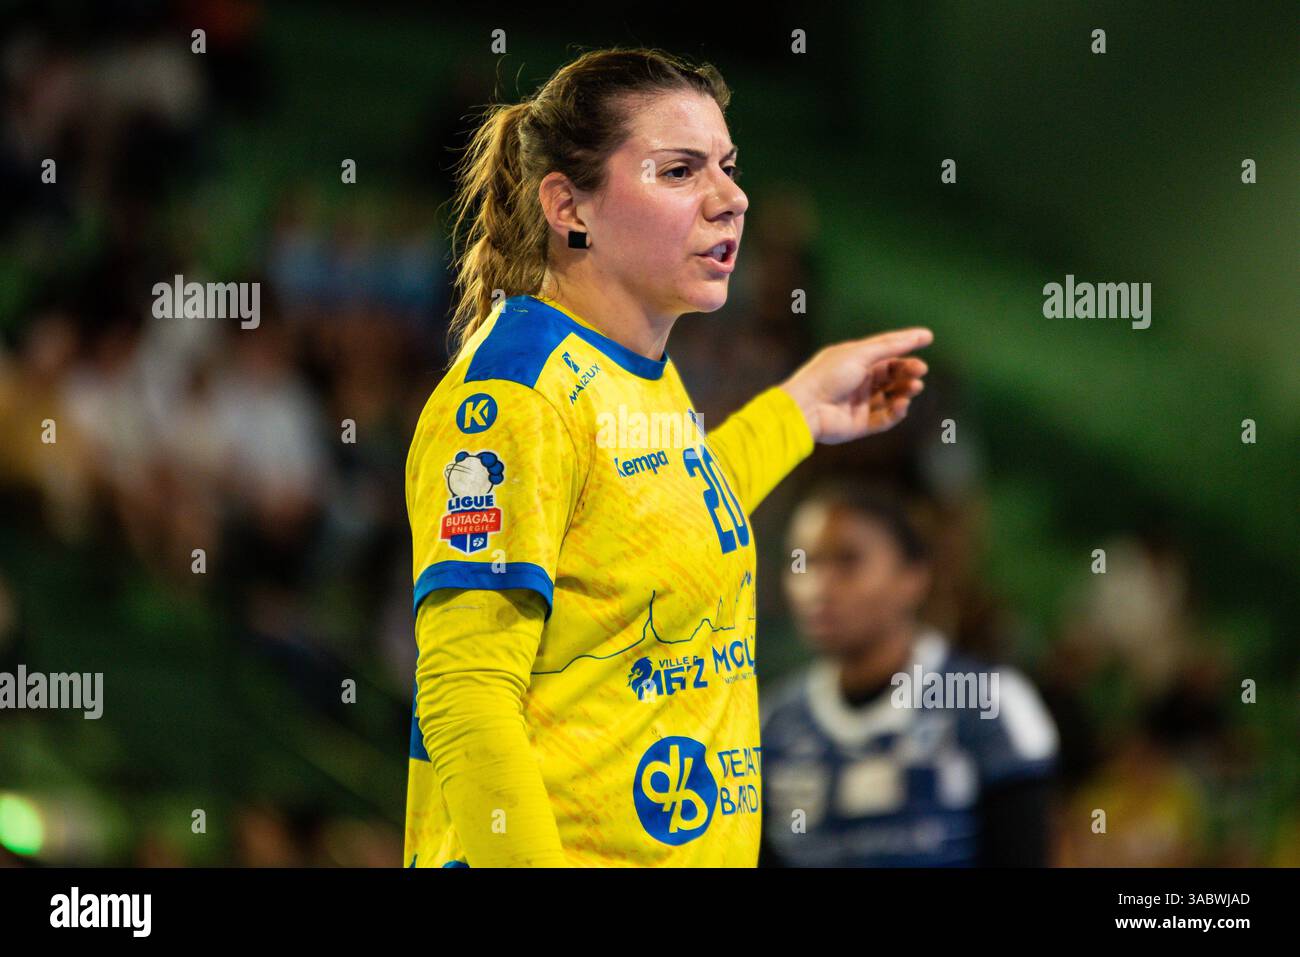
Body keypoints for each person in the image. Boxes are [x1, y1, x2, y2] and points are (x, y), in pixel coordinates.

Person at [404, 47, 932, 867]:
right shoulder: (518, 396)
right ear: (569, 205)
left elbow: (661, 519)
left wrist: (800, 410)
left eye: (727, 166)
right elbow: (465, 698)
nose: (731, 199)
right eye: (680, 171)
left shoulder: (634, 369)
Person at [759, 481, 1059, 867]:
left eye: (848, 561)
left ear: (912, 578)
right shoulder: (774, 725)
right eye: (802, 562)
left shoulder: (987, 704)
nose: (818, 587)